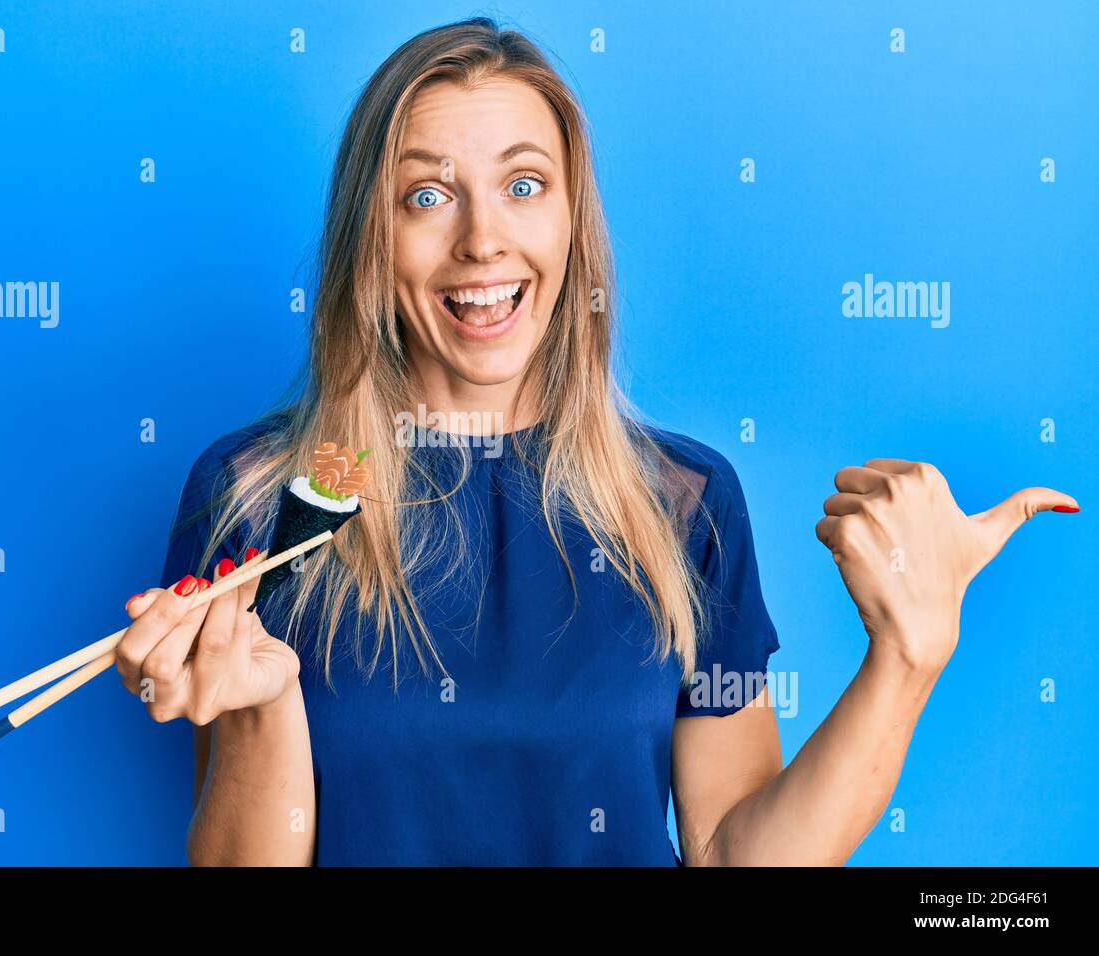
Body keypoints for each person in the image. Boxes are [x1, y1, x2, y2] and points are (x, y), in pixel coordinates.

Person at [113, 17, 1079, 866]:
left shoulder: (682, 498)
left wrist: (907, 660)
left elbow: (733, 852)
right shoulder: (265, 498)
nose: (483, 241)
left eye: (524, 185)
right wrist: (263, 708)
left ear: (574, 221)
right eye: (426, 196)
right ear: (372, 237)